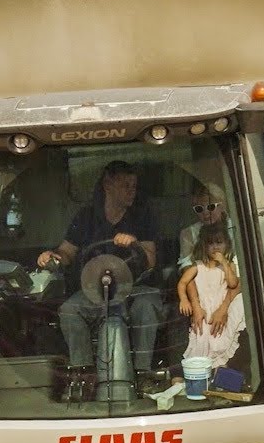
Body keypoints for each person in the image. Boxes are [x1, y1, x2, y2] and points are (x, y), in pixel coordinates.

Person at [37, 161, 164, 379]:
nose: (132, 191)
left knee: (148, 303)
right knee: (69, 309)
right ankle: (83, 373)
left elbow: (151, 259)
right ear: (108, 184)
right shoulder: (85, 217)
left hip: (133, 288)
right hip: (94, 292)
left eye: (134, 186)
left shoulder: (142, 216)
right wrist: (53, 256)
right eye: (126, 185)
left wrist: (135, 243)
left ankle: (144, 374)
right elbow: (67, 252)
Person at [177, 224, 245, 368]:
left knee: (218, 340)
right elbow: (182, 283)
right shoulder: (197, 266)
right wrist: (184, 299)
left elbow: (233, 284)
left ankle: (219, 374)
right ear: (204, 246)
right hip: (204, 309)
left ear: (227, 244)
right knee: (202, 340)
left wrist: (224, 263)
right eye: (210, 243)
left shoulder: (229, 266)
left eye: (219, 242)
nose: (215, 247)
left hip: (218, 309)